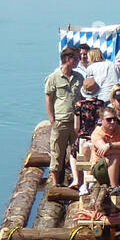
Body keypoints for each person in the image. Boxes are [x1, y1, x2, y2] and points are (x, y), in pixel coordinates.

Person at [44, 47, 82, 187]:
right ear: (68, 59)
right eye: (76, 58)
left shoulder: (79, 77)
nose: (78, 61)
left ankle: (78, 181)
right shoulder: (54, 78)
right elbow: (48, 98)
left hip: (76, 122)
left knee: (77, 151)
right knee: (57, 152)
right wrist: (51, 118)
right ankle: (56, 183)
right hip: (60, 121)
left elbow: (83, 96)